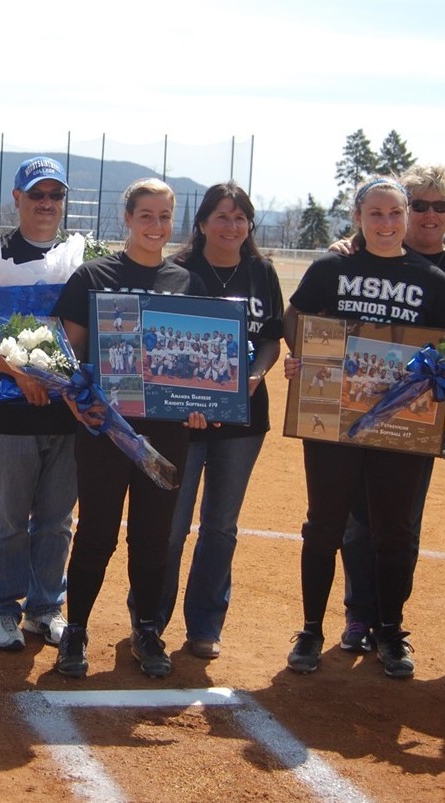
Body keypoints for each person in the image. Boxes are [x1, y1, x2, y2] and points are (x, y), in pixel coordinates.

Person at [282, 177, 445, 678]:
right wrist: (306, 358)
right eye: (374, 214)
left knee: (394, 530)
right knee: (324, 525)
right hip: (334, 415)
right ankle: (311, 628)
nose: (386, 223)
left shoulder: (431, 280)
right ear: (358, 218)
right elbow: (295, 319)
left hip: (402, 420)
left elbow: (441, 350)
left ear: (404, 218)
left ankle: (390, 631)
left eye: (394, 214)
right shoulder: (332, 268)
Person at [51, 178, 208, 679]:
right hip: (104, 428)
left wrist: (199, 403)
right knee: (96, 531)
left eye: (165, 217)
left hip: (166, 429)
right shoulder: (93, 276)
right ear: (127, 218)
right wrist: (78, 400)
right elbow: (68, 352)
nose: (156, 226)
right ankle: (75, 630)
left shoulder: (186, 282)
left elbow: (197, 356)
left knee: (153, 535)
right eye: (146, 215)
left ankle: (145, 628)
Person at [328, 164, 445, 655]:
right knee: (357, 518)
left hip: (418, 415)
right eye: (422, 204)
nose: (430, 215)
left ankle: (391, 620)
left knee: (400, 521)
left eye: (441, 206)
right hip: (357, 404)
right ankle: (357, 614)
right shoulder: (354, 257)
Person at [153, 182, 283, 660]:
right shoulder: (178, 271)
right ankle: (150, 618)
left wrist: (256, 373)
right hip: (182, 418)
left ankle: (205, 624)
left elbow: (271, 337)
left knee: (221, 526)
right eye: (222, 217)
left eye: (240, 217)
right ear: (202, 223)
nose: (232, 226)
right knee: (171, 523)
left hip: (243, 419)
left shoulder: (262, 272)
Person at [0, 157, 77, 651]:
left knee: (57, 518)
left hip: (69, 412)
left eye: (55, 195)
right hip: (8, 412)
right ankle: (1, 607)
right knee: (6, 516)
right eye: (37, 194)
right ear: (17, 199)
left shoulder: (86, 254)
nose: (46, 204)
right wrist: (17, 371)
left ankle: (46, 608)